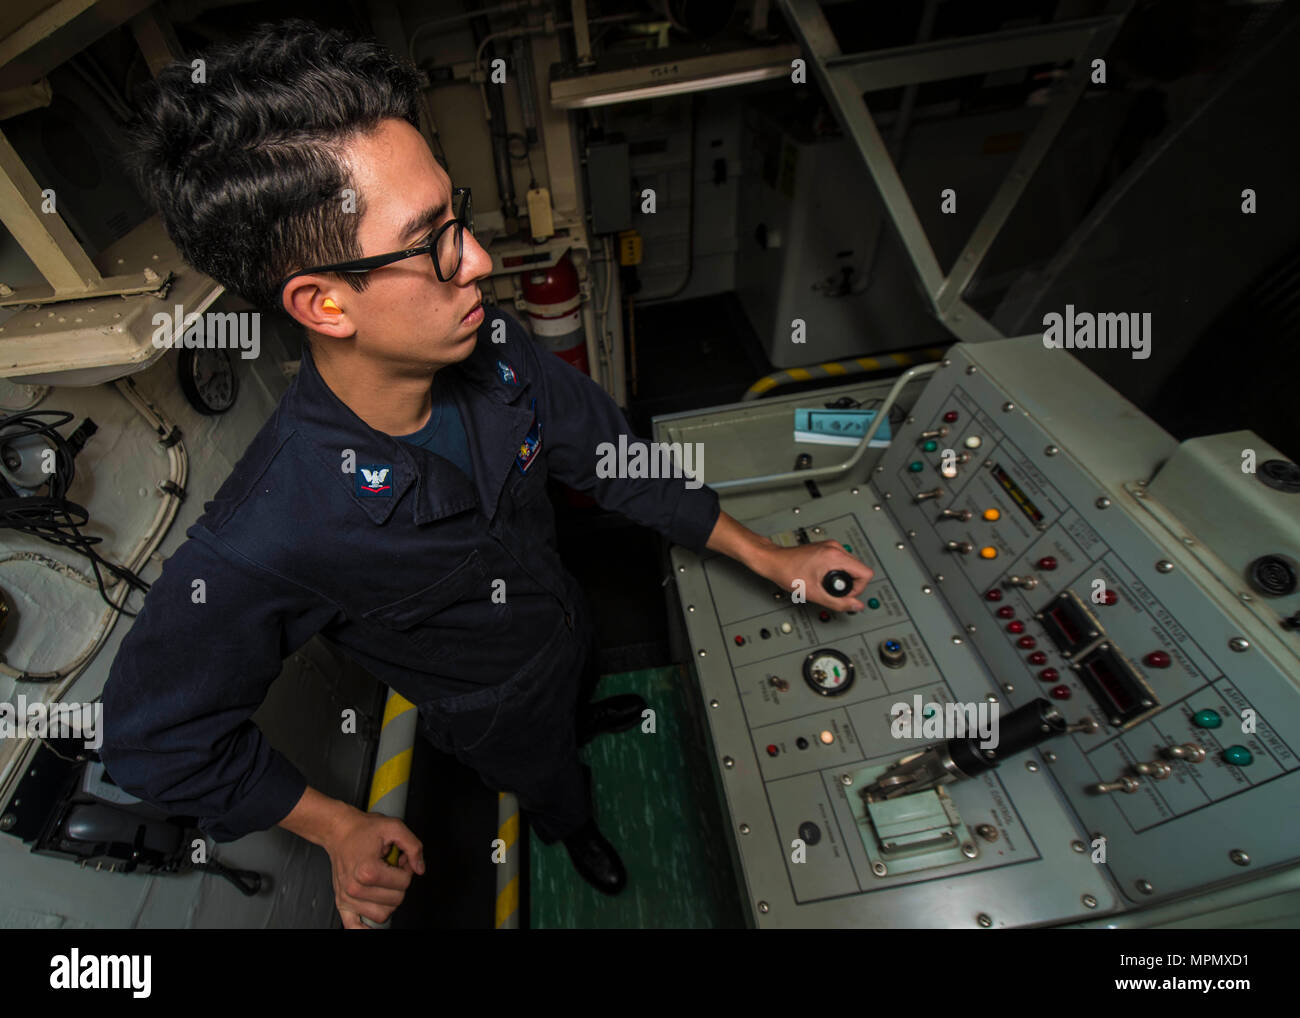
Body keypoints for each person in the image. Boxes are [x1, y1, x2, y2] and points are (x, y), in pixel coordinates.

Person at [99, 18, 873, 929]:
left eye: (455, 215)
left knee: (579, 687)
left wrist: (767, 554)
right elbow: (155, 739)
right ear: (323, 304)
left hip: (566, 619)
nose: (477, 259)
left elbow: (613, 459)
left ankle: (584, 718)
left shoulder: (497, 349)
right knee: (550, 779)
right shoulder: (268, 535)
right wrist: (336, 825)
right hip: (497, 713)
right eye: (431, 241)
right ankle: (570, 823)